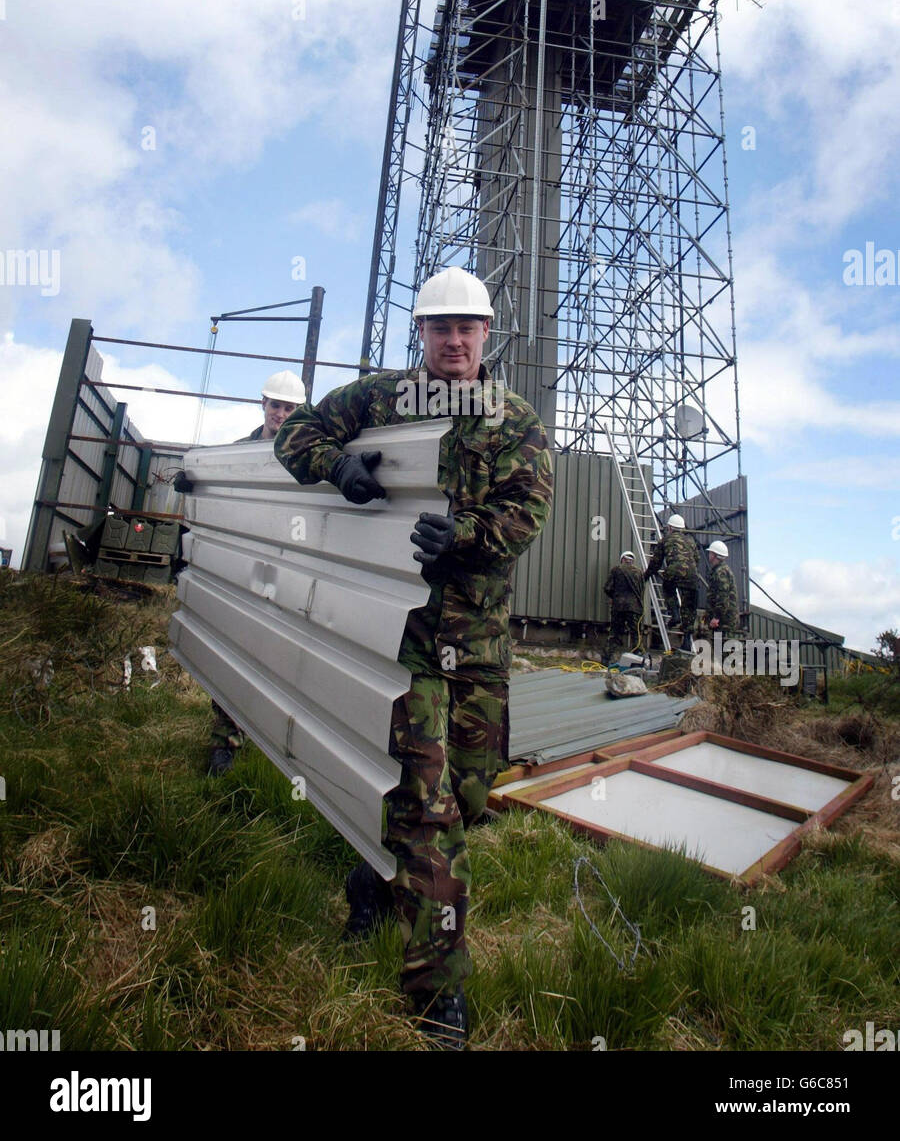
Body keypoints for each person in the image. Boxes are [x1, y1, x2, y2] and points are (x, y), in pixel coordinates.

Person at [273, 267, 553, 1048]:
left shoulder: (517, 421)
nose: (454, 341)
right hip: (402, 638)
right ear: (422, 335)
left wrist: (464, 536)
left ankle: (372, 870)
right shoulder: (381, 400)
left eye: (467, 328)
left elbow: (526, 513)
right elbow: (298, 433)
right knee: (431, 813)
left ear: (487, 335)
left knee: (466, 798)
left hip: (480, 647)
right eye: (440, 328)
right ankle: (438, 994)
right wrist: (338, 466)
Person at [174, 370, 306, 774]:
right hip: (241, 564)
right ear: (262, 405)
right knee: (233, 649)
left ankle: (280, 740)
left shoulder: (307, 456)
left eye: (288, 408)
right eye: (275, 405)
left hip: (288, 567)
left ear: (298, 411)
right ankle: (226, 740)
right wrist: (193, 484)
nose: (280, 414)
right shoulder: (236, 454)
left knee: (280, 657)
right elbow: (215, 494)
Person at [643, 514, 699, 653]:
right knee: (689, 607)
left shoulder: (665, 540)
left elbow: (656, 563)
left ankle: (674, 613)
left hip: (674, 570)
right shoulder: (691, 541)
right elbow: (696, 559)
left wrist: (646, 576)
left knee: (668, 588)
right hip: (692, 575)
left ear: (669, 527)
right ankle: (686, 641)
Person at [602, 549, 644, 661]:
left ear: (622, 559)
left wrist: (614, 597)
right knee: (636, 634)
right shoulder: (639, 572)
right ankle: (637, 660)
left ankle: (606, 659)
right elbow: (641, 591)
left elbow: (608, 588)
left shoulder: (616, 570)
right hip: (635, 608)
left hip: (619, 606)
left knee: (614, 633)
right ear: (632, 561)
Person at [703, 540, 740, 640]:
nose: (709, 555)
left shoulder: (721, 572)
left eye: (710, 553)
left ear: (715, 555)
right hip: (723, 620)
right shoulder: (720, 570)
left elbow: (723, 597)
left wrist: (716, 617)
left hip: (724, 622)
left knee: (722, 651)